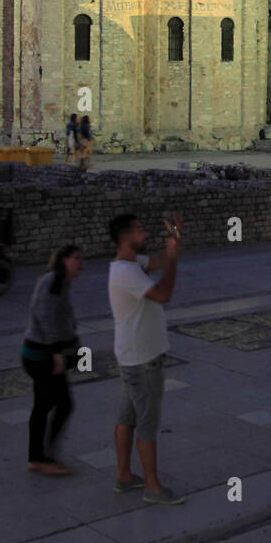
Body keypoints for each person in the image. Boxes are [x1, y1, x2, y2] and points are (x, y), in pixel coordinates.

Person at [108, 211, 185, 505]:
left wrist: (176, 240)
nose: (146, 234)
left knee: (127, 417)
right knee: (147, 423)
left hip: (131, 357)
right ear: (125, 237)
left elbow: (161, 260)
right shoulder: (127, 273)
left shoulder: (129, 265)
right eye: (140, 230)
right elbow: (164, 294)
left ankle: (124, 475)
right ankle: (153, 487)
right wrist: (174, 260)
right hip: (143, 360)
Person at [21, 246, 83, 476]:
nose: (81, 263)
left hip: (42, 354)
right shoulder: (53, 279)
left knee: (44, 405)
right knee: (63, 404)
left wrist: (74, 348)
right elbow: (42, 313)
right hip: (41, 356)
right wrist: (56, 351)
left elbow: (63, 320)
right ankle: (42, 457)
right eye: (76, 258)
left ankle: (37, 457)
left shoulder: (62, 282)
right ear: (64, 260)